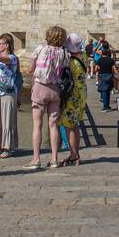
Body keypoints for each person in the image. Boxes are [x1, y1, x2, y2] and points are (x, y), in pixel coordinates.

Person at [29, 26, 67, 169]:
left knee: (37, 125)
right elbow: (63, 70)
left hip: (40, 87)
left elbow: (31, 69)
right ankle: (54, 159)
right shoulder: (63, 52)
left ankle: (36, 159)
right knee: (53, 125)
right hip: (55, 90)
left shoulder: (40, 49)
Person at [56, 32, 88, 165]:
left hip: (72, 97)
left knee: (69, 126)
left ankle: (74, 155)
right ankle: (75, 154)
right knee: (74, 125)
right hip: (81, 95)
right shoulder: (83, 57)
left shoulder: (71, 61)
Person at [95, 42, 115, 111]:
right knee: (108, 91)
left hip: (102, 76)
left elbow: (96, 69)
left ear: (102, 53)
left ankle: (105, 107)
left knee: (104, 91)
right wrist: (118, 76)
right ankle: (107, 105)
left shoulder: (99, 60)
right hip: (109, 75)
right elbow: (113, 69)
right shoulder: (111, 60)